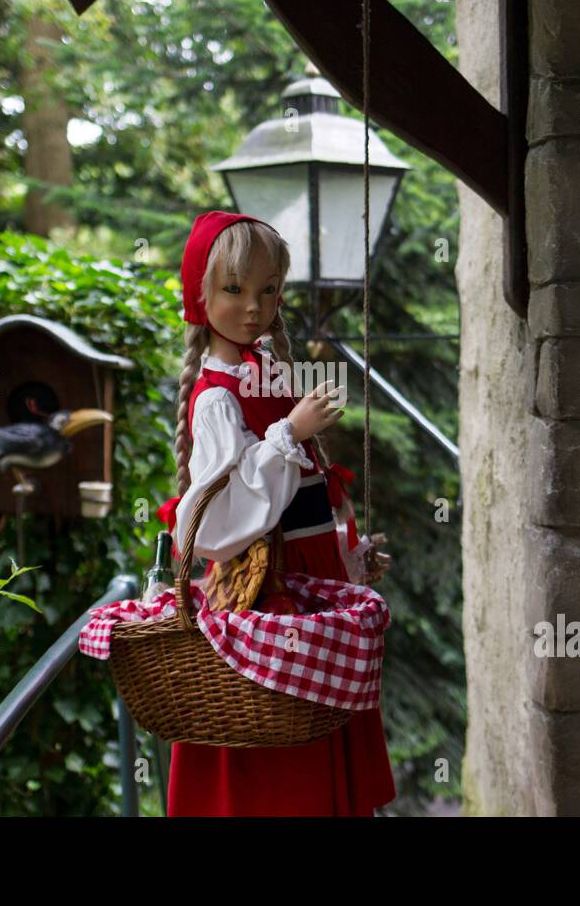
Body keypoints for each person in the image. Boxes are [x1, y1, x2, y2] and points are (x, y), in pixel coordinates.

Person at [156, 210, 397, 817]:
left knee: (317, 738)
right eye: (234, 289)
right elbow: (216, 522)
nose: (253, 306)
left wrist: (349, 557)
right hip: (268, 596)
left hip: (310, 581)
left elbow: (306, 500)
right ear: (201, 293)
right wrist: (288, 432)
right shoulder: (216, 396)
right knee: (281, 768)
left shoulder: (266, 371)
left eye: (268, 289)